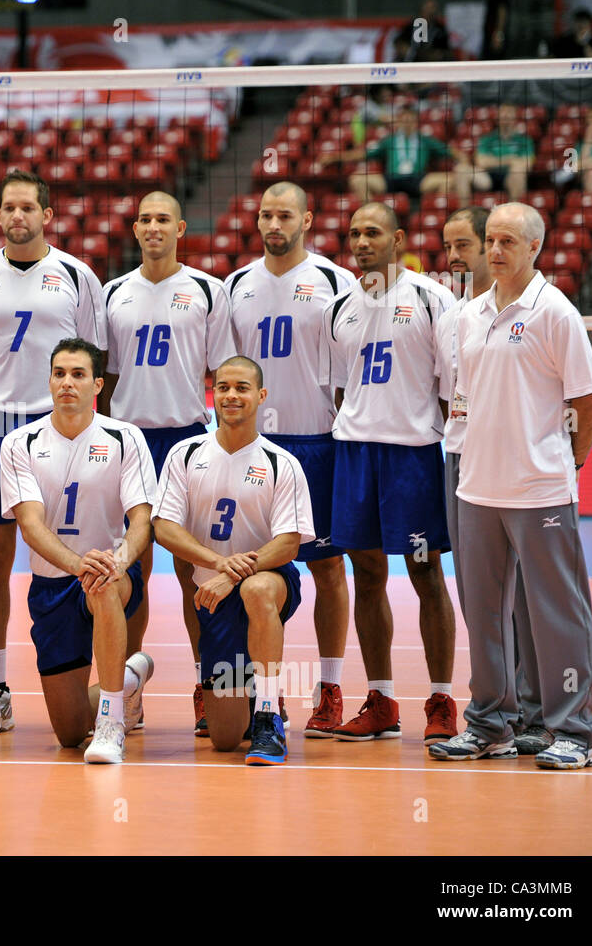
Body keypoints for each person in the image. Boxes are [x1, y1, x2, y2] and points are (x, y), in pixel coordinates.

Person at [432, 202, 592, 769]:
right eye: (491, 240)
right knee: (482, 612)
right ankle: (489, 723)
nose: (496, 249)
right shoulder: (471, 313)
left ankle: (575, 732)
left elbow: (585, 398)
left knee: (557, 612)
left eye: (510, 240)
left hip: (539, 491)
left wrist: (564, 467)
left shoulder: (554, 311)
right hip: (478, 486)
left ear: (535, 248)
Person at [0, 170, 105, 737]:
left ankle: (108, 687)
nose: (17, 216)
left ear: (47, 215)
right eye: (8, 207)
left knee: (79, 559)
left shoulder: (77, 275)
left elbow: (93, 360)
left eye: (28, 208)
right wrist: (1, 400)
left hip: (59, 426)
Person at [96, 189, 236, 733]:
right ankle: (125, 688)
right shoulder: (112, 293)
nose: (153, 227)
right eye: (144, 219)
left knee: (192, 571)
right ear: (134, 230)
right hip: (128, 440)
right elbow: (100, 379)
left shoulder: (207, 289)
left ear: (180, 229)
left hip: (185, 440)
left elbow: (225, 375)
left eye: (163, 219)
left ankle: (207, 687)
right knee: (128, 572)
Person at [323, 202, 459, 747]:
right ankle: (380, 699)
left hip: (412, 457)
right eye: (354, 233)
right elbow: (339, 388)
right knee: (367, 576)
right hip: (355, 454)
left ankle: (443, 699)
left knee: (426, 575)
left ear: (398, 239)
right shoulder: (340, 307)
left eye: (372, 232)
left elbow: (452, 388)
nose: (360, 242)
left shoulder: (432, 297)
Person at [226, 182, 357, 738]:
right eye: (265, 215)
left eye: (285, 215)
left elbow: (353, 366)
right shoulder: (236, 285)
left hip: (317, 440)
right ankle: (246, 694)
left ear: (307, 219)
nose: (274, 224)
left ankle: (328, 690)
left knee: (328, 566)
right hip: (253, 447)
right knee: (239, 569)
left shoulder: (335, 281)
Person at [152, 355, 315, 765]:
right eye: (223, 387)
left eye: (242, 388)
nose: (231, 395)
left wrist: (236, 573)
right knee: (224, 739)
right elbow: (165, 529)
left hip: (270, 582)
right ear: (214, 394)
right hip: (214, 593)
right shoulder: (186, 454)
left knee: (257, 590)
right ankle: (243, 694)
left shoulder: (281, 463)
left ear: (260, 396)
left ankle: (266, 715)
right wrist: (220, 565)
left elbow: (289, 543)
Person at [0, 339, 156, 763]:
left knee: (103, 585)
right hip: (52, 585)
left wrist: (120, 561)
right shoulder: (20, 442)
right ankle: (125, 678)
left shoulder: (126, 438)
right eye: (59, 373)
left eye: (78, 374)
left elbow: (141, 520)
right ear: (49, 380)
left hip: (112, 573)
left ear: (98, 385)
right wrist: (76, 564)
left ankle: (111, 724)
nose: (67, 382)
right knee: (69, 735)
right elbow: (30, 525)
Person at [315, 102, 473, 207]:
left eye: (410, 120)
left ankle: (433, 217)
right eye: (404, 120)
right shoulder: (389, 141)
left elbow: (450, 152)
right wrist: (335, 157)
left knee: (449, 181)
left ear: (416, 122)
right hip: (391, 179)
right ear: (398, 121)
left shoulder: (425, 140)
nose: (407, 123)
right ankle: (373, 217)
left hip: (419, 179)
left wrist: (464, 159)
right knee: (357, 180)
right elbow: (363, 154)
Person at [472, 104, 536, 203]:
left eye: (509, 113)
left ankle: (514, 210)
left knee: (518, 169)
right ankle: (464, 211)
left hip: (511, 178)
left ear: (515, 118)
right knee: (461, 170)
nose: (505, 116)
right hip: (488, 177)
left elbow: (527, 164)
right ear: (497, 118)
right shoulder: (486, 139)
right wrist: (510, 160)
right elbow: (481, 162)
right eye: (503, 113)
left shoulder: (525, 141)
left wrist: (492, 161)